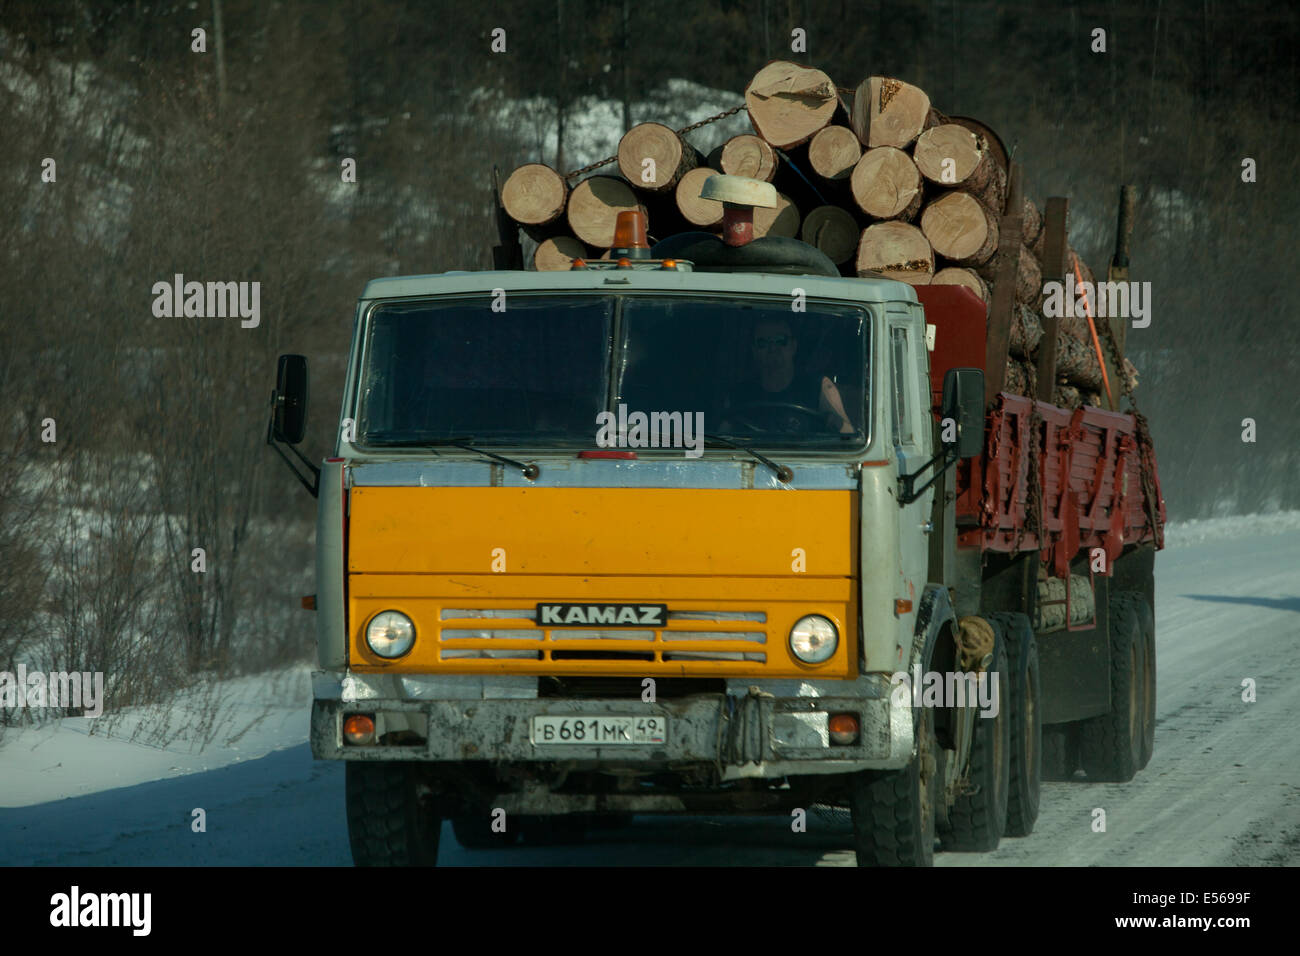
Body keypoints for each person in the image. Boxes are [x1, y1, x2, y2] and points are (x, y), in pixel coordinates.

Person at [725, 318, 856, 435]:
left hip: (805, 461)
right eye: (763, 342)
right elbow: (721, 440)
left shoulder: (819, 386)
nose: (772, 348)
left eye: (780, 341)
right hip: (749, 461)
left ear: (793, 346)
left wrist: (835, 422)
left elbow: (847, 434)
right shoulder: (739, 394)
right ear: (754, 350)